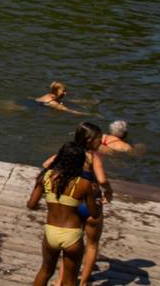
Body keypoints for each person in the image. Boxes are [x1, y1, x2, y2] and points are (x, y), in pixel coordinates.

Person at [42, 122, 112, 286]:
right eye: (98, 139)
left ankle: (59, 281)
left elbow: (46, 165)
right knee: (92, 245)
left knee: (70, 246)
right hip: (90, 203)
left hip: (73, 204)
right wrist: (109, 192)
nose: (100, 142)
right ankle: (84, 282)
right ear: (89, 140)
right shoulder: (92, 157)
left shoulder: (69, 153)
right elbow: (102, 179)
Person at [28, 142, 100, 286]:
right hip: (72, 234)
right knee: (70, 280)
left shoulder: (46, 177)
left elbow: (31, 205)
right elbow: (94, 214)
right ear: (80, 162)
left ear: (60, 157)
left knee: (45, 271)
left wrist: (49, 206)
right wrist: (96, 199)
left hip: (51, 232)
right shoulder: (84, 183)